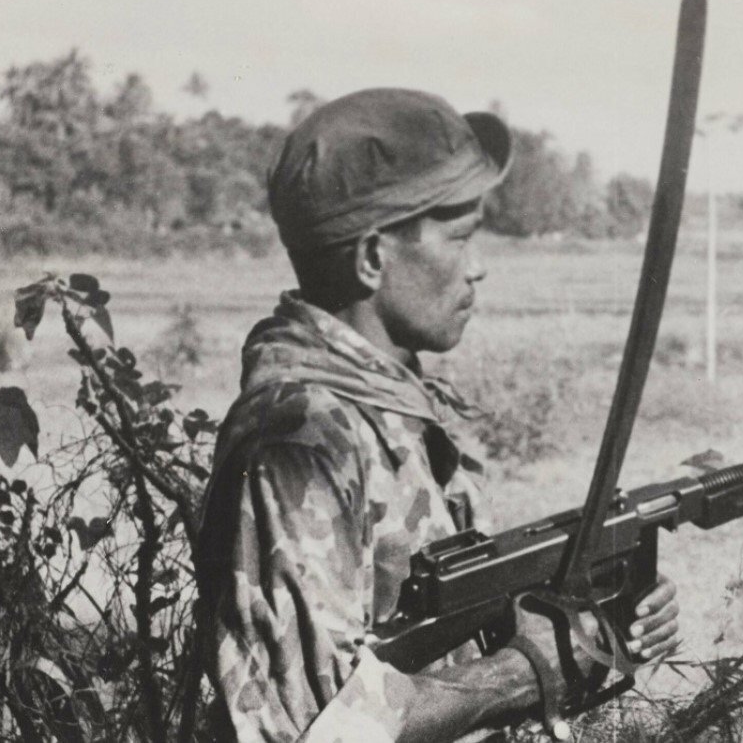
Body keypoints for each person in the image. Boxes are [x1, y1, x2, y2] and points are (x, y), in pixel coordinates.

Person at [196, 88, 681, 743]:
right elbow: (324, 726)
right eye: (460, 238)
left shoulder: (391, 404)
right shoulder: (303, 438)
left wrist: (587, 616)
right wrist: (531, 669)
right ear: (373, 258)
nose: (478, 269)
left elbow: (434, 634)